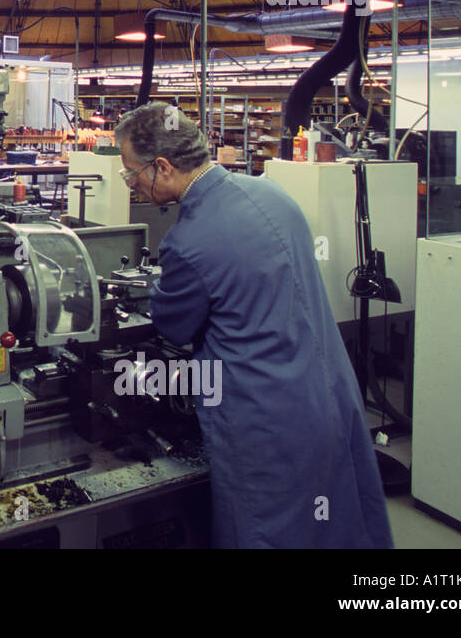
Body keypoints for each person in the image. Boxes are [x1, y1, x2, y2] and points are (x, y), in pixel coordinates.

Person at [113, 101, 393, 548]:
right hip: (326, 391)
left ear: (162, 167)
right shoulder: (272, 194)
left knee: (267, 528)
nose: (133, 185)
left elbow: (174, 326)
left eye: (132, 174)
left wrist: (159, 287)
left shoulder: (189, 242)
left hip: (264, 417)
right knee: (336, 521)